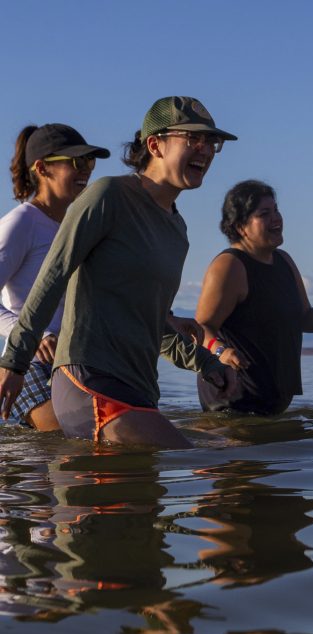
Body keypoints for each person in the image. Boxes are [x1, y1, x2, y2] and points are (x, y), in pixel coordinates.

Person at [0, 97, 238, 448]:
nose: (205, 149)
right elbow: (53, 277)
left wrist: (206, 362)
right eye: (193, 139)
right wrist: (15, 362)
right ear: (155, 144)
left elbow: (148, 318)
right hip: (90, 379)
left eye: (211, 142)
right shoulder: (107, 196)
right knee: (215, 461)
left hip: (139, 386)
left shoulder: (177, 230)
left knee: (185, 472)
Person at [195, 180, 313, 416]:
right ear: (240, 227)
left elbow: (305, 318)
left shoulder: (284, 261)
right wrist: (221, 351)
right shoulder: (230, 266)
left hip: (271, 407)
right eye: (264, 214)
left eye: (276, 210)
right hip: (231, 406)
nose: (276, 218)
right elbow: (200, 327)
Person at [0, 123, 110, 430]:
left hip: (76, 363)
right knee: (75, 443)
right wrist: (37, 337)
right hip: (29, 366)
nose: (85, 171)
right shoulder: (21, 223)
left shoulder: (80, 226)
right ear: (41, 168)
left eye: (89, 162)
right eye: (76, 162)